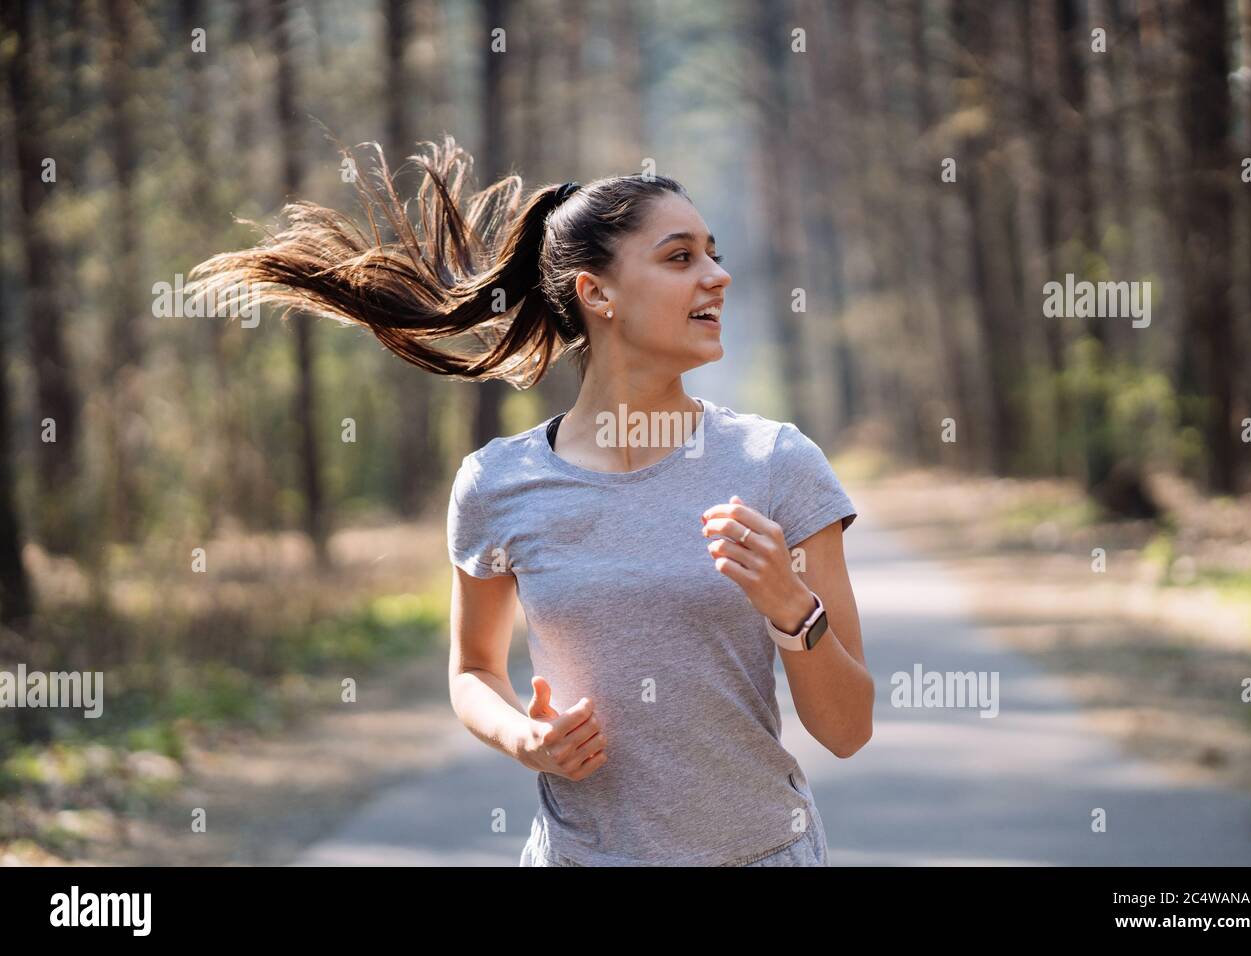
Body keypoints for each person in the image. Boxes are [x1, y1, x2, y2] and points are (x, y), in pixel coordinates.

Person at [188, 133, 874, 866]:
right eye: (681, 258)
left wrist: (790, 607)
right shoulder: (499, 483)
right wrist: (524, 738)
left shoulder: (776, 464)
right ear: (596, 293)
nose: (718, 277)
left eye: (715, 252)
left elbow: (847, 730)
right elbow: (474, 671)